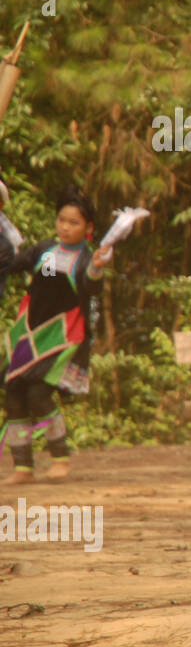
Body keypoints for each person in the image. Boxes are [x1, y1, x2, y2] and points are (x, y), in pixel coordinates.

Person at [1, 185, 113, 484]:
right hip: (29, 335)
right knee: (13, 394)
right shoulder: (42, 250)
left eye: (73, 222)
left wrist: (99, 269)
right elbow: (11, 265)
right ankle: (23, 467)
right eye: (62, 220)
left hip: (64, 338)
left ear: (88, 228)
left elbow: (92, 287)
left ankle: (60, 459)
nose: (65, 227)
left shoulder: (88, 260)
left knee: (39, 394)